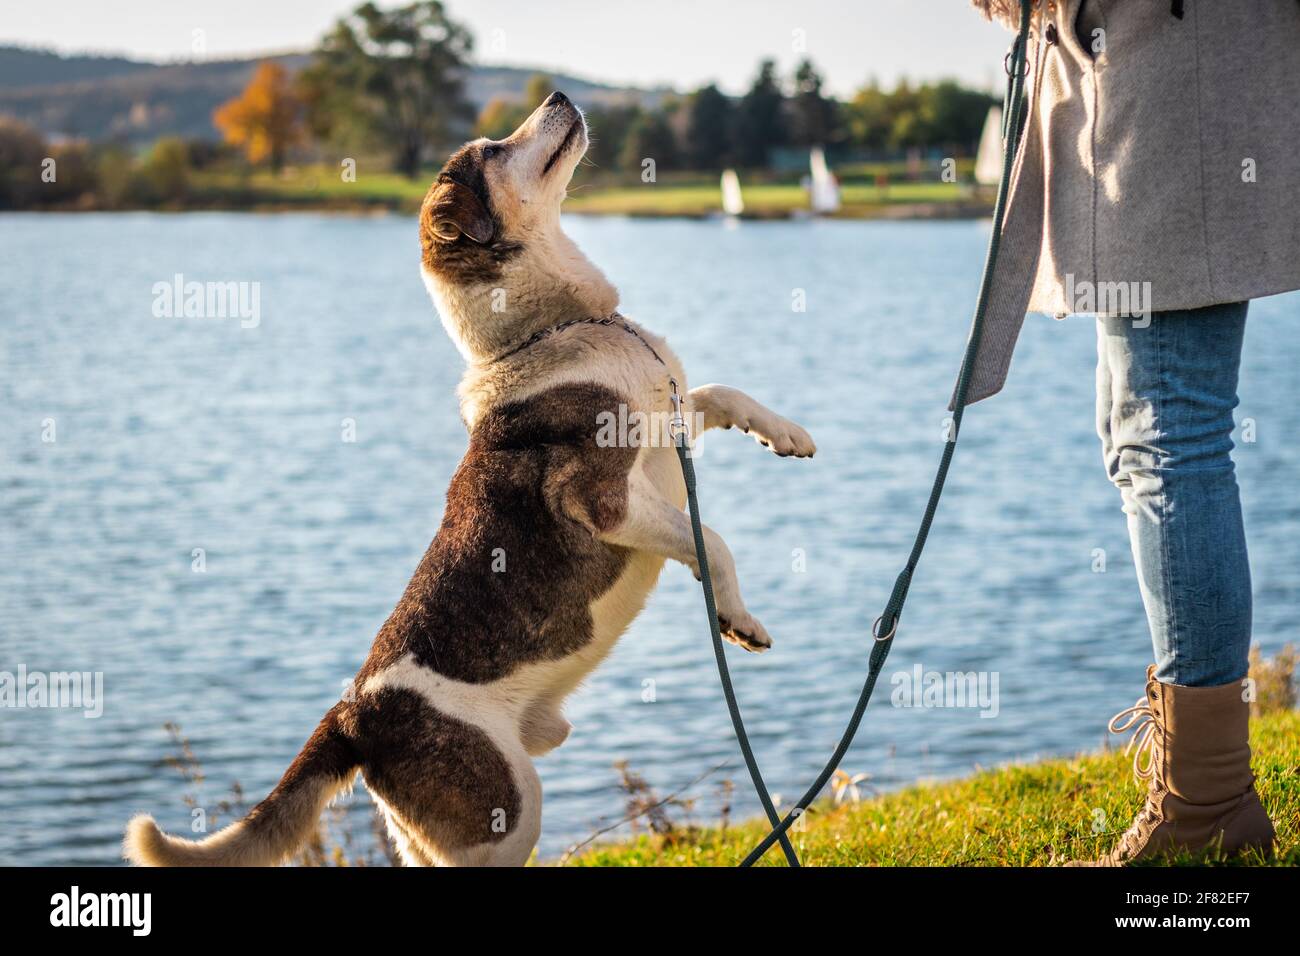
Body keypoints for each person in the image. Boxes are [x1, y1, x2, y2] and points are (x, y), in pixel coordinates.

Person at [965, 0, 1300, 864]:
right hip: (1156, 82)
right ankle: (1206, 790)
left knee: (1167, 436)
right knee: (1142, 437)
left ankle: (1207, 803)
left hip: (1173, 85)